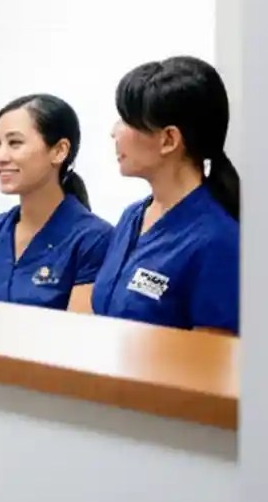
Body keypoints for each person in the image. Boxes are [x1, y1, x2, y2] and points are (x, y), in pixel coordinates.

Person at [91, 56, 240, 334]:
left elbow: (212, 365)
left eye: (125, 120)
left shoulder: (217, 241)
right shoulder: (132, 217)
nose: (114, 132)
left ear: (169, 139)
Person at [0, 94, 113, 310]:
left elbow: (79, 334)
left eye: (15, 143)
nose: (0, 156)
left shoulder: (93, 240)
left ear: (59, 151)